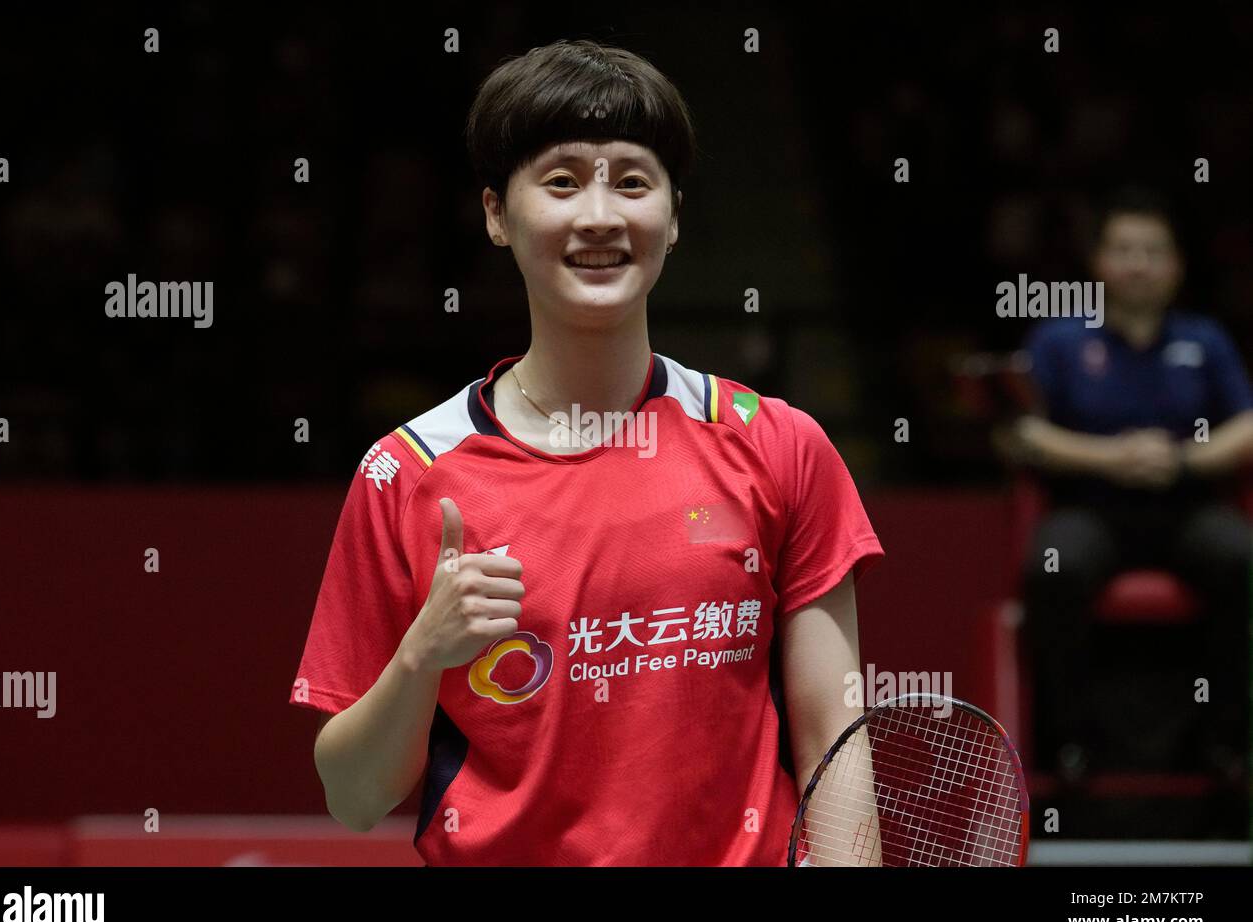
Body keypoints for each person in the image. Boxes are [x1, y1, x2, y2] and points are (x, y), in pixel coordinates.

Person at [287, 39, 884, 865]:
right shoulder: (408, 473)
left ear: (673, 218)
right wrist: (422, 655)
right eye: (562, 181)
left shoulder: (779, 445)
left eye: (633, 182)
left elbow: (835, 735)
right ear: (497, 213)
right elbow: (354, 799)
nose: (600, 215)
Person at [1012, 187, 1253, 783]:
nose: (1138, 264)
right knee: (1055, 566)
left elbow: (1247, 423)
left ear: (1175, 267)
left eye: (1152, 251)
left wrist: (1185, 461)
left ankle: (1225, 744)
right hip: (1090, 508)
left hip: (1186, 508)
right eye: (1123, 250)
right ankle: (1068, 744)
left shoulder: (1206, 341)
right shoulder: (1060, 341)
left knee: (1242, 557)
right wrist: (1108, 457)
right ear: (1099, 265)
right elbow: (1023, 432)